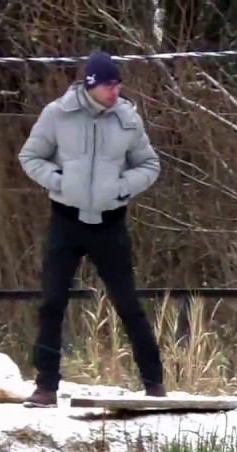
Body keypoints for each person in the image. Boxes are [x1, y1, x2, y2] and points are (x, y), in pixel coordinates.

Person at [17, 51, 164, 407]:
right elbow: (29, 157)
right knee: (52, 302)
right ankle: (46, 386)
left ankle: (154, 384)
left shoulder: (127, 120)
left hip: (110, 224)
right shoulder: (57, 115)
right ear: (91, 86)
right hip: (66, 220)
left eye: (118, 85)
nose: (115, 92)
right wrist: (59, 181)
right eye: (108, 86)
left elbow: (149, 164)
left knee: (128, 304)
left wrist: (122, 186)